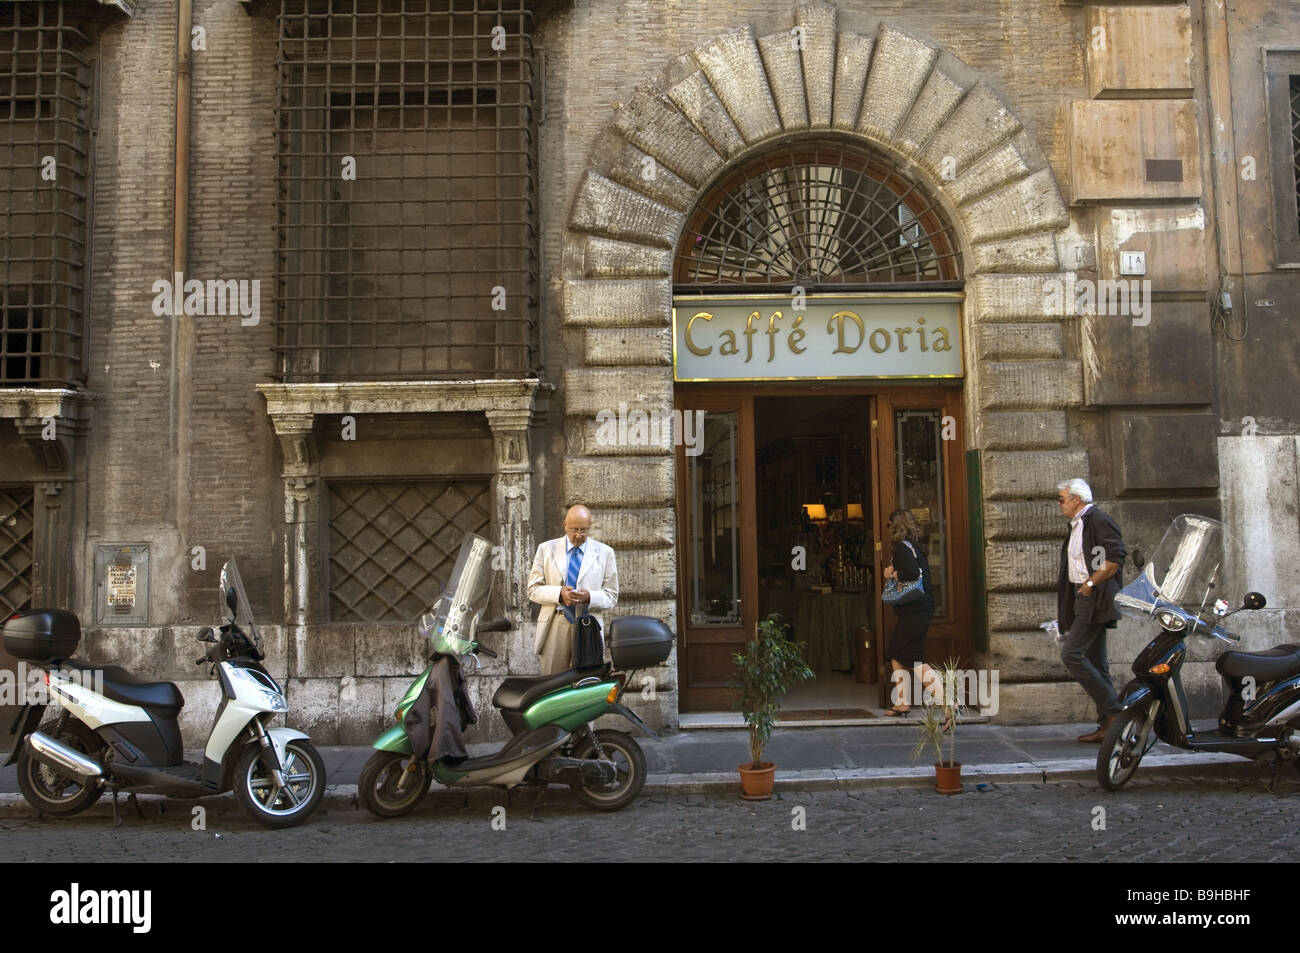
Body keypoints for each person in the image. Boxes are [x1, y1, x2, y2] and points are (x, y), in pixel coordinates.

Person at [1055, 478, 1127, 743]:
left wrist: (1089, 584)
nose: (1060, 504)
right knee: (1098, 662)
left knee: (1072, 654)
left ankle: (1115, 711)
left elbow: (1115, 558)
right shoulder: (1078, 523)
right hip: (1081, 596)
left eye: (1062, 499)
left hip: (1094, 597)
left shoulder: (1097, 519)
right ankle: (1109, 726)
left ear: (1077, 499)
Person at [526, 504, 619, 675]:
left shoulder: (605, 553)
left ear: (590, 527)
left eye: (583, 530)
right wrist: (559, 594)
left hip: (588, 623)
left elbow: (612, 595)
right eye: (574, 529)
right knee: (551, 681)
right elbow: (533, 589)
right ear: (565, 526)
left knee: (587, 680)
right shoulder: (546, 549)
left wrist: (589, 596)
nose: (578, 535)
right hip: (556, 621)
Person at [880, 508, 942, 723]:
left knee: (916, 659)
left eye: (889, 525)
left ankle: (949, 703)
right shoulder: (913, 546)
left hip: (915, 611)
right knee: (895, 653)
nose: (887, 529)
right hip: (916, 610)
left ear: (896, 526)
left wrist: (892, 573)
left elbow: (912, 573)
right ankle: (902, 701)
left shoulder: (902, 549)